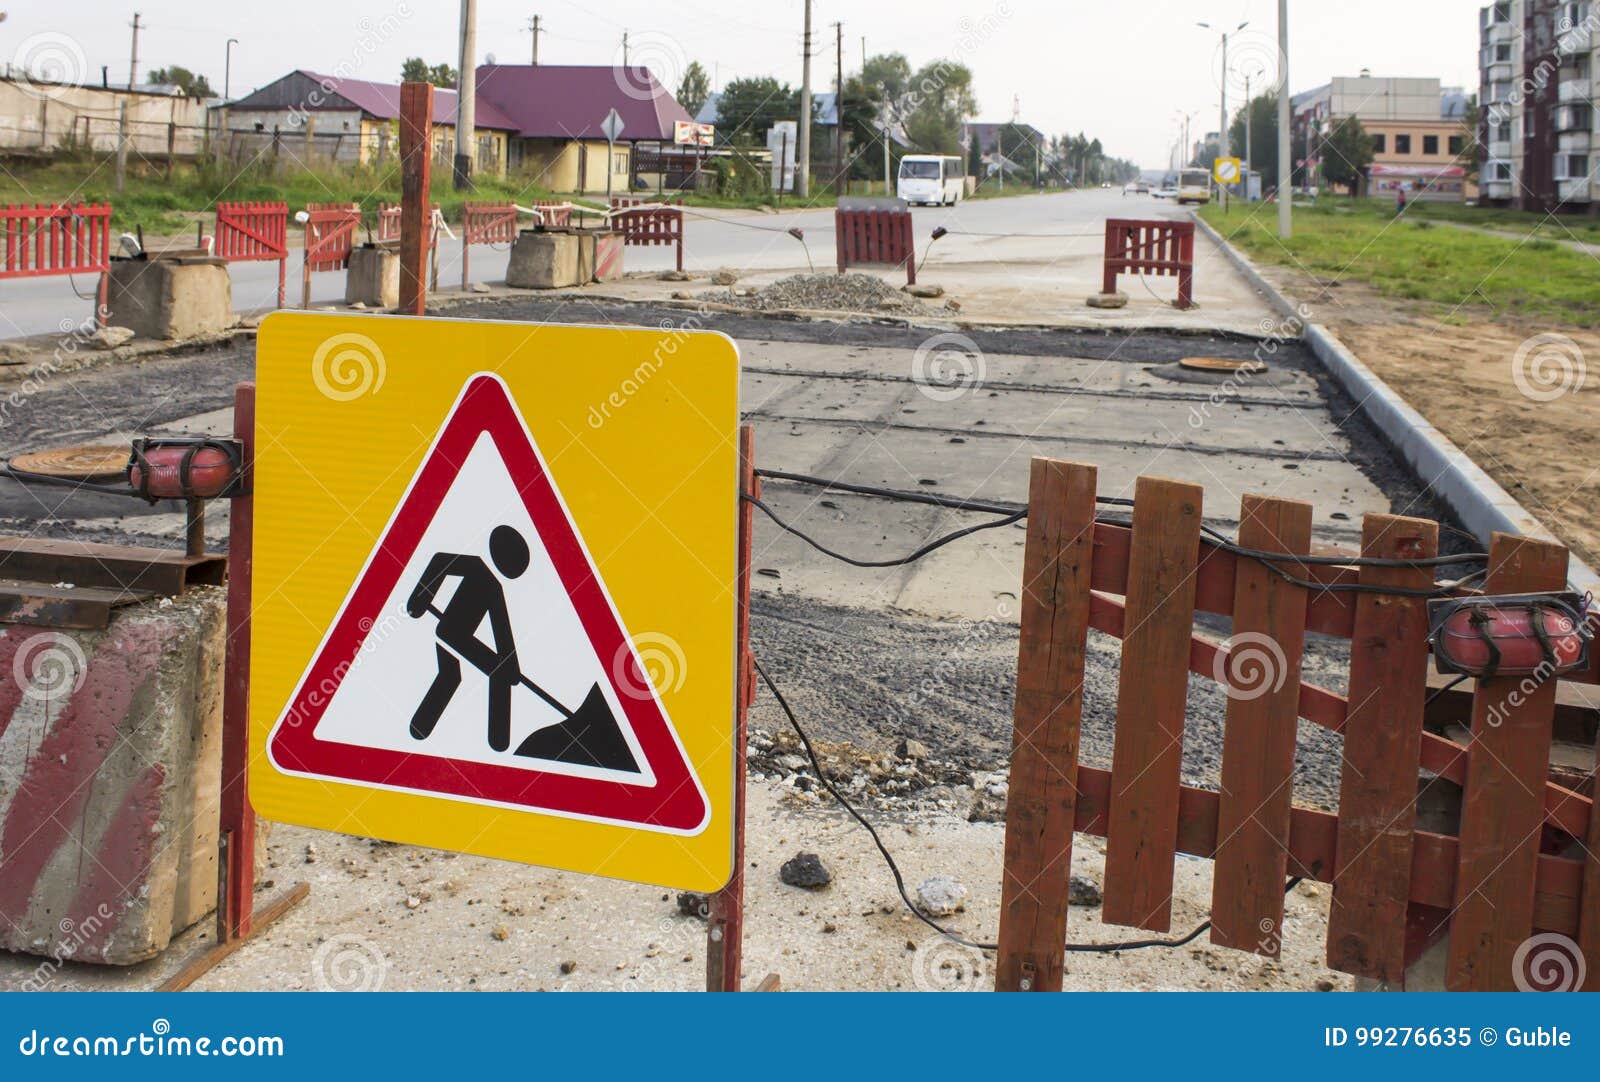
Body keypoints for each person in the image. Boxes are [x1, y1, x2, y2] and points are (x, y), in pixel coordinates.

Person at [404, 525, 531, 753]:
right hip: (451, 633)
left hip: (454, 636)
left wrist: (512, 666)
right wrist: (420, 598)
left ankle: (422, 727)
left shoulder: (494, 588)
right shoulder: (476, 567)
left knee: (451, 676)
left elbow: (502, 631)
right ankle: (497, 738)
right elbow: (440, 561)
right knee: (489, 673)